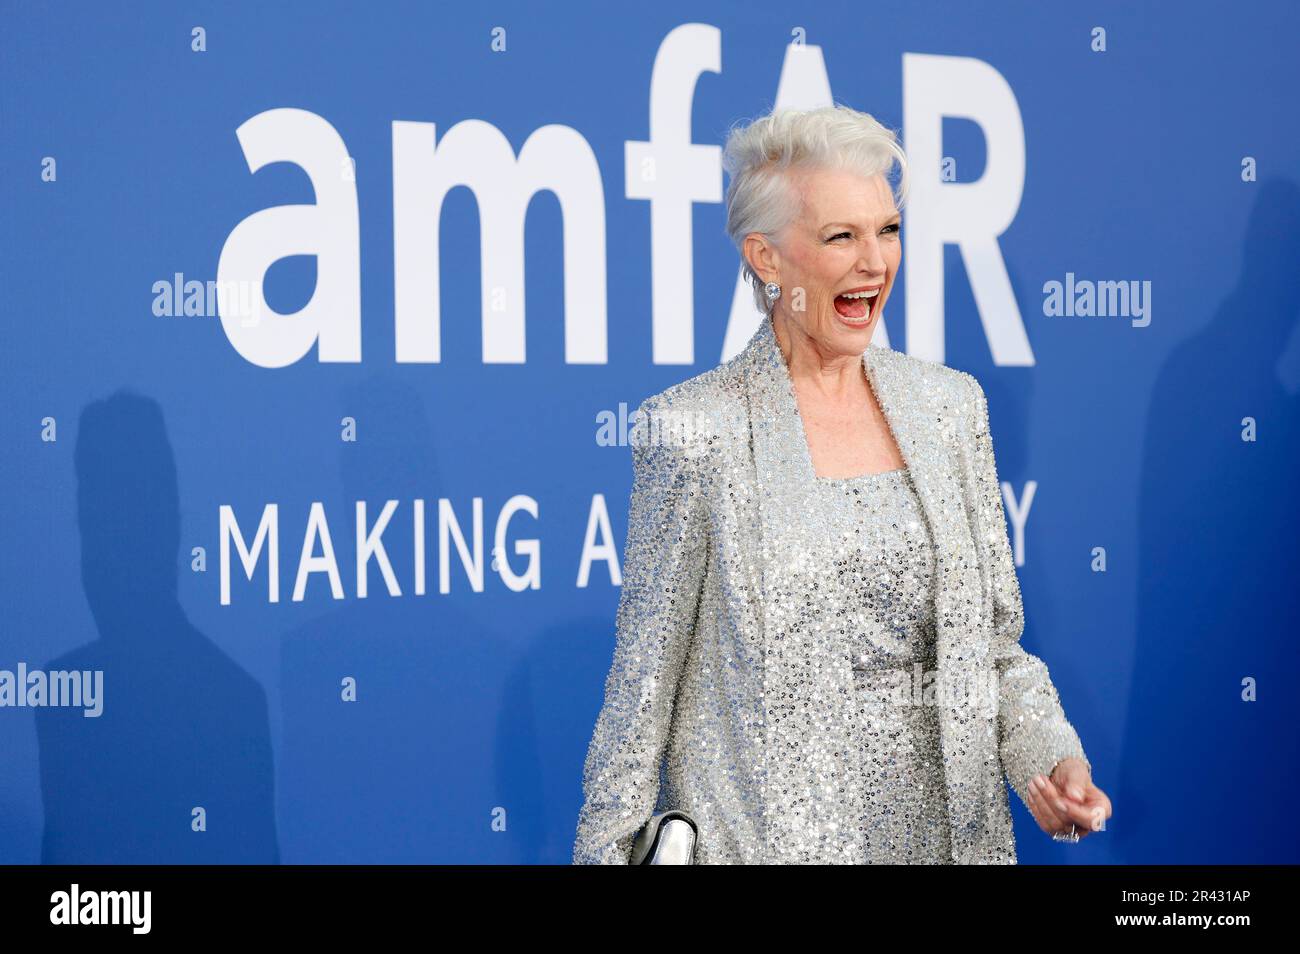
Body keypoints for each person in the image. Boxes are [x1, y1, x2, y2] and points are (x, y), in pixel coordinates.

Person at [573, 104, 1112, 864]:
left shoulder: (949, 409)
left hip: (945, 842)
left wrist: (1050, 762)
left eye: (887, 230)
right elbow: (642, 687)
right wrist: (604, 850)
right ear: (766, 258)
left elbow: (993, 650)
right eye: (841, 236)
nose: (875, 261)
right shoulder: (695, 431)